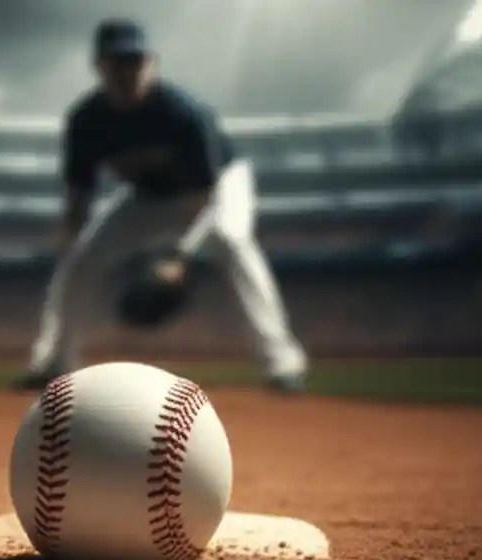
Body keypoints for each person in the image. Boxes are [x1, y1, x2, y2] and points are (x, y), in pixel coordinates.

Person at [15, 18, 308, 393]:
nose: (128, 70)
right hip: (147, 198)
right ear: (99, 67)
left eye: (136, 61)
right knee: (80, 263)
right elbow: (79, 194)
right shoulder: (86, 121)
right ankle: (53, 363)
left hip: (218, 187)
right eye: (118, 62)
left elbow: (207, 198)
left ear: (152, 64)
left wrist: (179, 256)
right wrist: (68, 238)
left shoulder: (183, 112)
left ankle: (282, 365)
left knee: (233, 240)